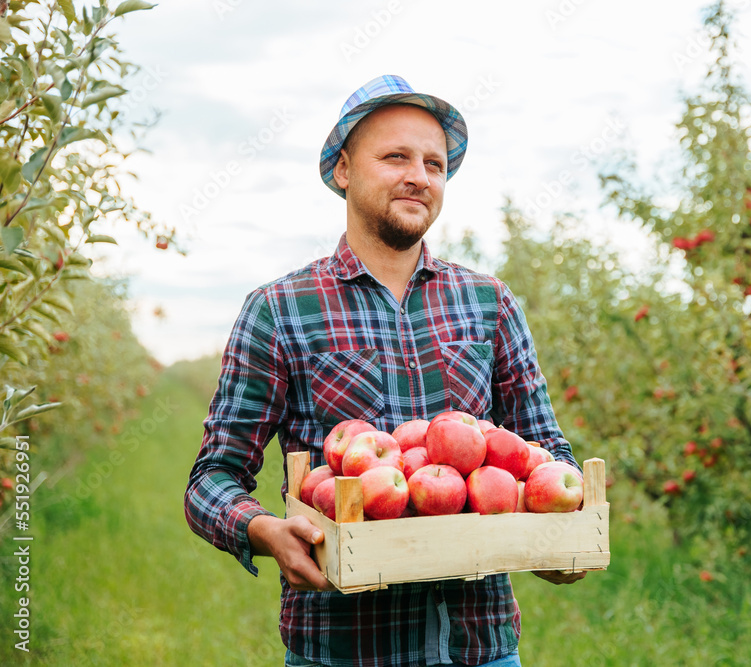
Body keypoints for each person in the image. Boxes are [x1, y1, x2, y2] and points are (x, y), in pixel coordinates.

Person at [184, 74, 585, 667]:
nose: (419, 176)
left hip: (477, 648)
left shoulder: (489, 303)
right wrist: (263, 530)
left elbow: (547, 448)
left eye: (434, 164)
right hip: (342, 649)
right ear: (344, 170)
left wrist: (560, 529)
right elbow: (212, 478)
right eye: (395, 156)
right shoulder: (280, 309)